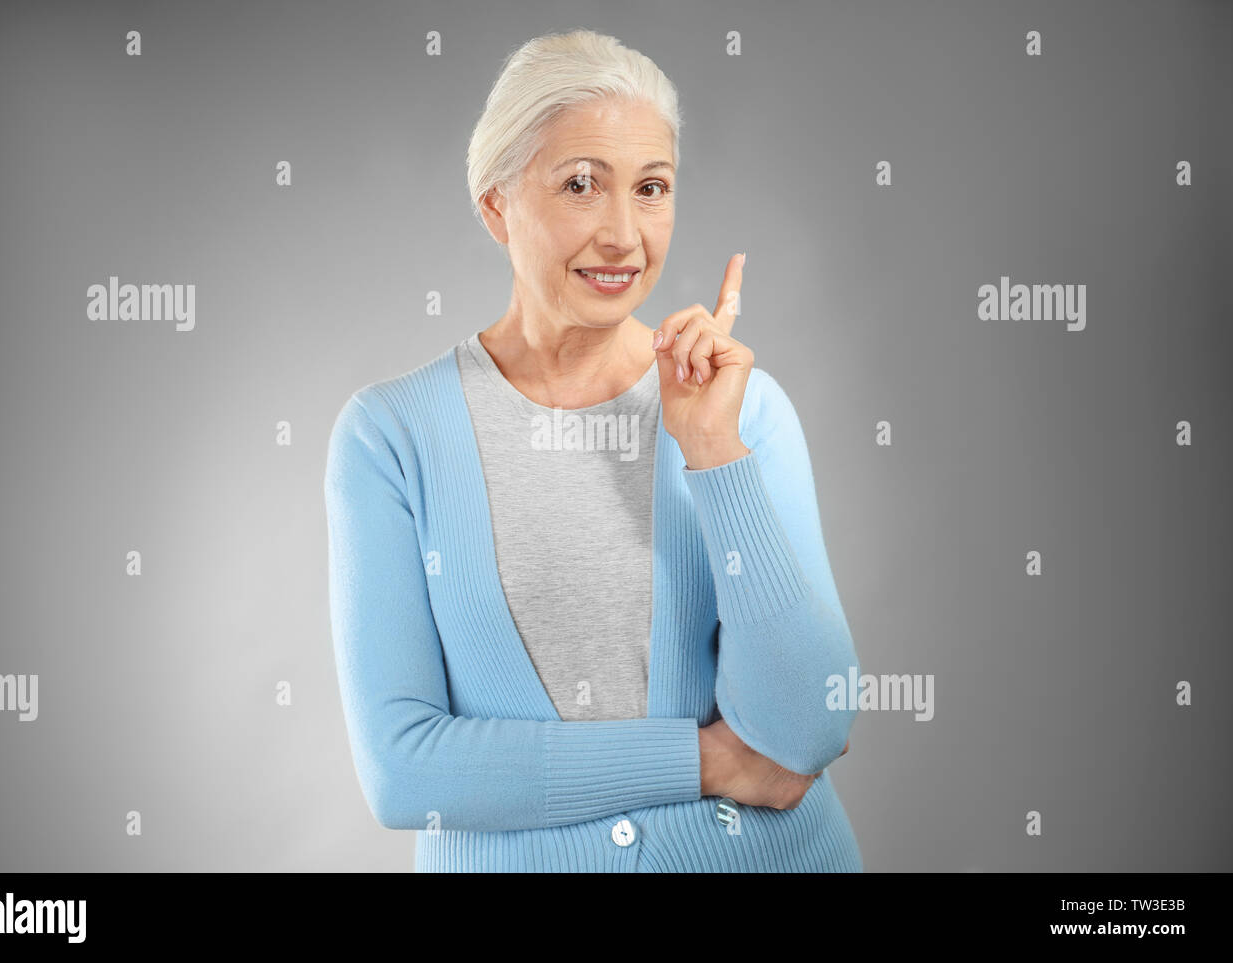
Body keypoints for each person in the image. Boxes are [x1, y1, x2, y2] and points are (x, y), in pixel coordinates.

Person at [325, 28, 860, 872]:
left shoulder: (742, 406)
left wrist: (714, 450)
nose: (622, 234)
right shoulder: (392, 435)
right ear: (497, 202)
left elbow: (808, 730)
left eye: (651, 188)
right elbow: (403, 769)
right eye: (581, 185)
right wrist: (706, 760)